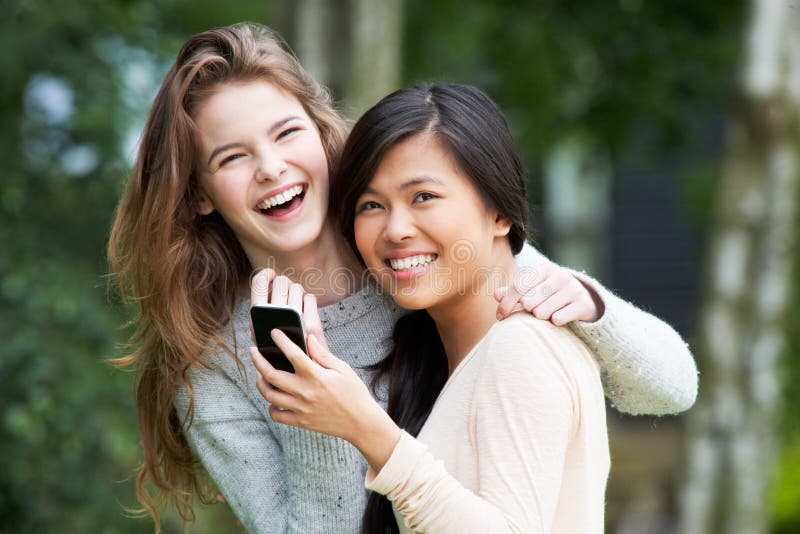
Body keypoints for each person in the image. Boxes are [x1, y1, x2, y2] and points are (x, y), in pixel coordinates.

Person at [107, 23, 697, 533]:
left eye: (287, 133)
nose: (271, 168)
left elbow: (671, 387)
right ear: (200, 196)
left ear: (321, 136)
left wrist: (592, 304)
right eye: (231, 157)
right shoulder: (213, 365)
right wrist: (313, 413)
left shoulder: (420, 255)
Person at [251, 83, 609, 533]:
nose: (396, 229)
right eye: (372, 205)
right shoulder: (450, 360)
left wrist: (367, 429)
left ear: (500, 211)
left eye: (423, 196)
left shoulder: (522, 346)